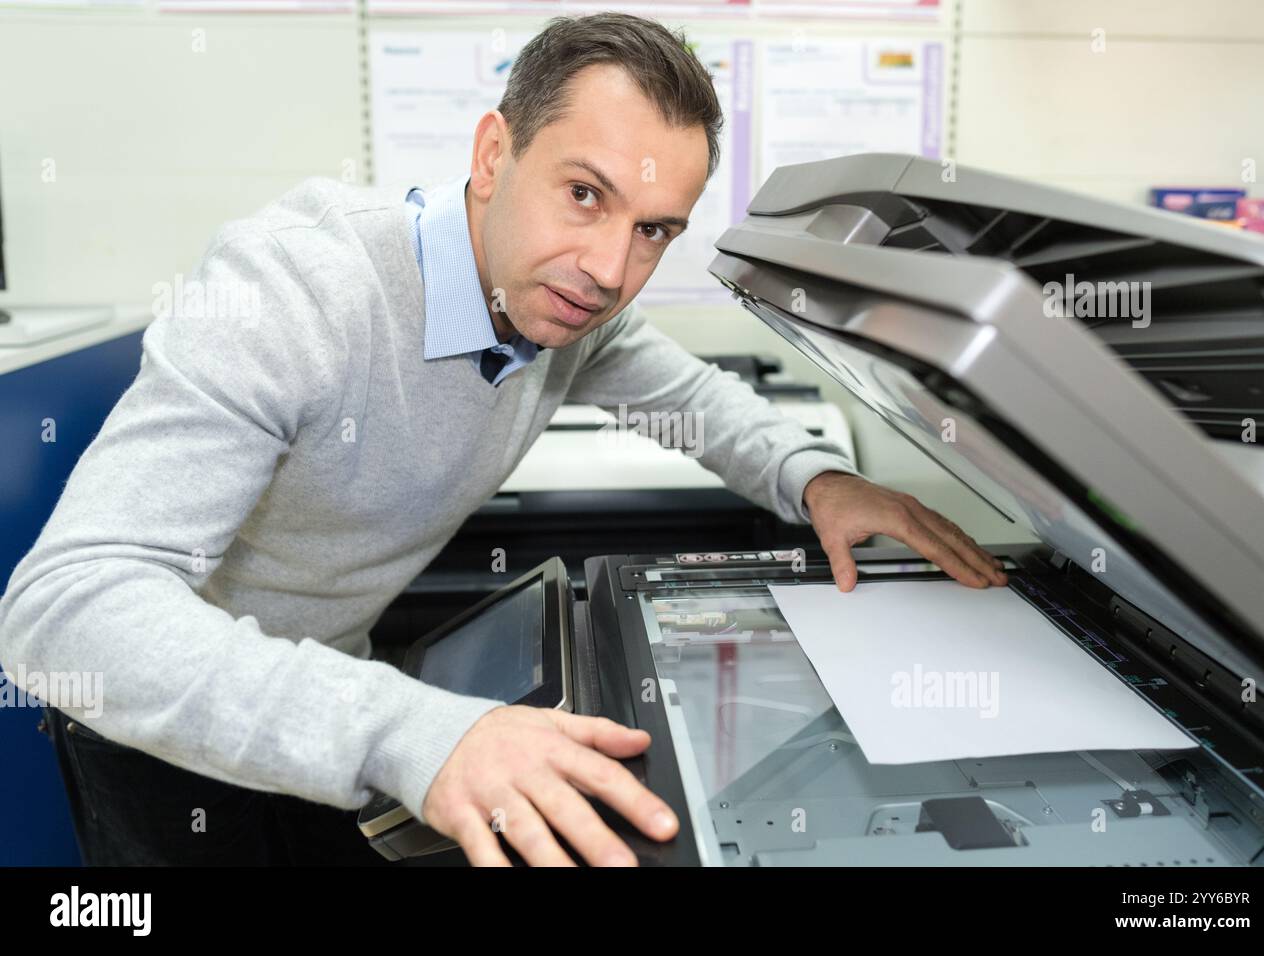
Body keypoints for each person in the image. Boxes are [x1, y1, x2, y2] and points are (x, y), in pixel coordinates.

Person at [0, 12, 1005, 868]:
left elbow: (695, 399)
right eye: (585, 193)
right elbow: (66, 607)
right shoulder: (295, 288)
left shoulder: (568, 309)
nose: (611, 267)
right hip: (173, 737)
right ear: (492, 154)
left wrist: (818, 478)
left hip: (335, 698)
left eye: (655, 228)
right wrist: (414, 729)